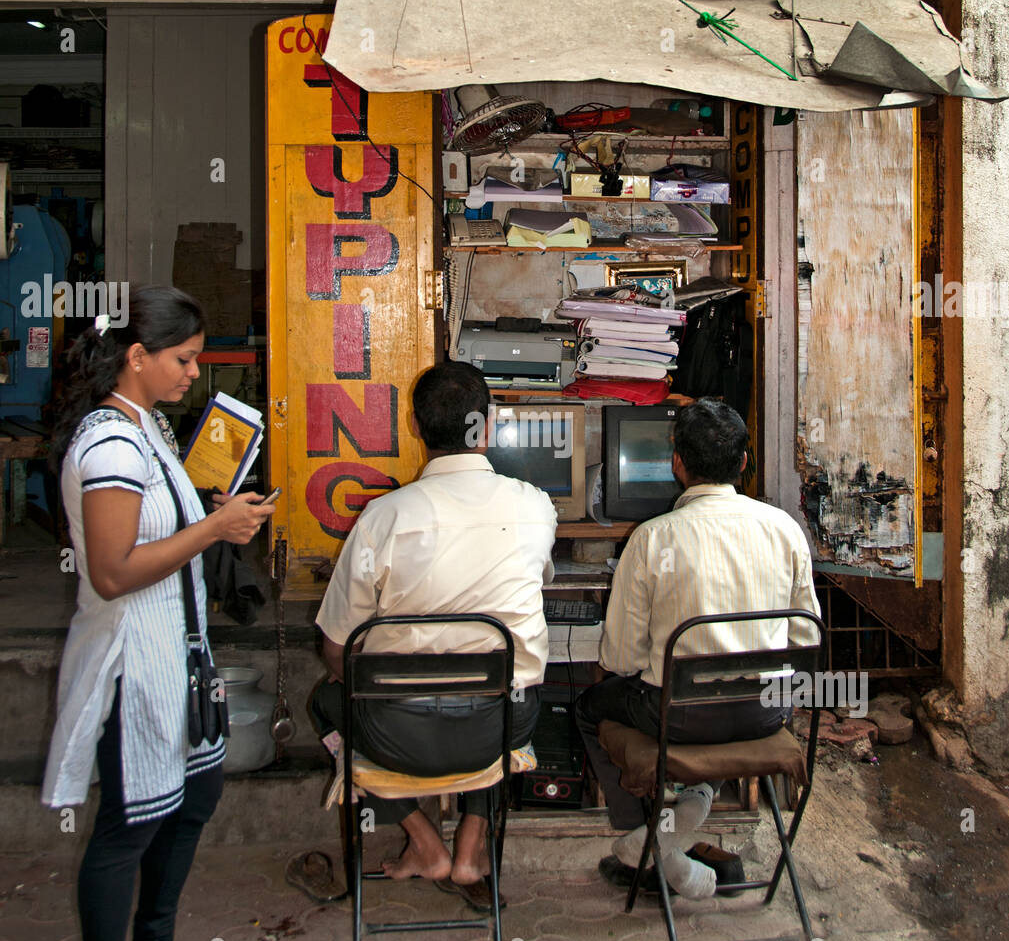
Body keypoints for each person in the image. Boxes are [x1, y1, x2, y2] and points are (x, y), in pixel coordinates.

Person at [43, 286, 277, 941]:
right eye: (181, 359)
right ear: (136, 357)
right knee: (128, 825)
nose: (192, 372)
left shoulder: (147, 431)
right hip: (128, 662)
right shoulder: (109, 445)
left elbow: (161, 533)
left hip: (175, 654)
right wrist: (214, 526)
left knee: (196, 791)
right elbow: (111, 572)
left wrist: (211, 513)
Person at [316, 361, 556, 909]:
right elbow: (537, 581)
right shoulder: (535, 506)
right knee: (509, 692)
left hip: (396, 733)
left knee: (328, 703)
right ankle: (470, 849)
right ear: (488, 426)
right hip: (499, 731)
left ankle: (424, 841)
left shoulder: (382, 518)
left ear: (416, 429)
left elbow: (336, 649)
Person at [575, 398, 821, 899]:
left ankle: (652, 849)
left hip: (678, 721)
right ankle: (684, 821)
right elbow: (807, 639)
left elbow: (620, 659)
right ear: (744, 464)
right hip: (766, 715)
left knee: (587, 708)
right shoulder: (785, 530)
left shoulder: (652, 539)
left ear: (677, 464)